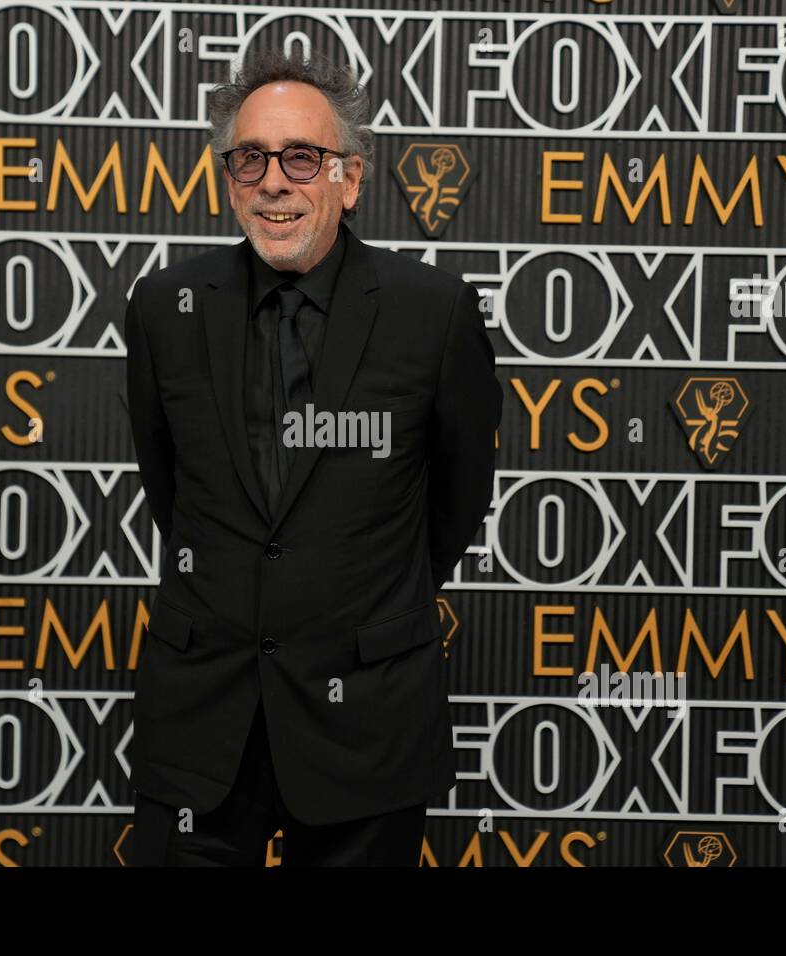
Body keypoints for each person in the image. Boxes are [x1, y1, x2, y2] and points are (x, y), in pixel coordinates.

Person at [123, 48, 502, 866]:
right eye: (249, 158)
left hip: (367, 722)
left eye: (302, 157)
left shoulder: (431, 314)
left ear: (350, 180)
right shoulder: (163, 309)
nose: (273, 181)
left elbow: (457, 501)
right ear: (228, 178)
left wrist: (354, 595)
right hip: (200, 722)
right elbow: (171, 490)